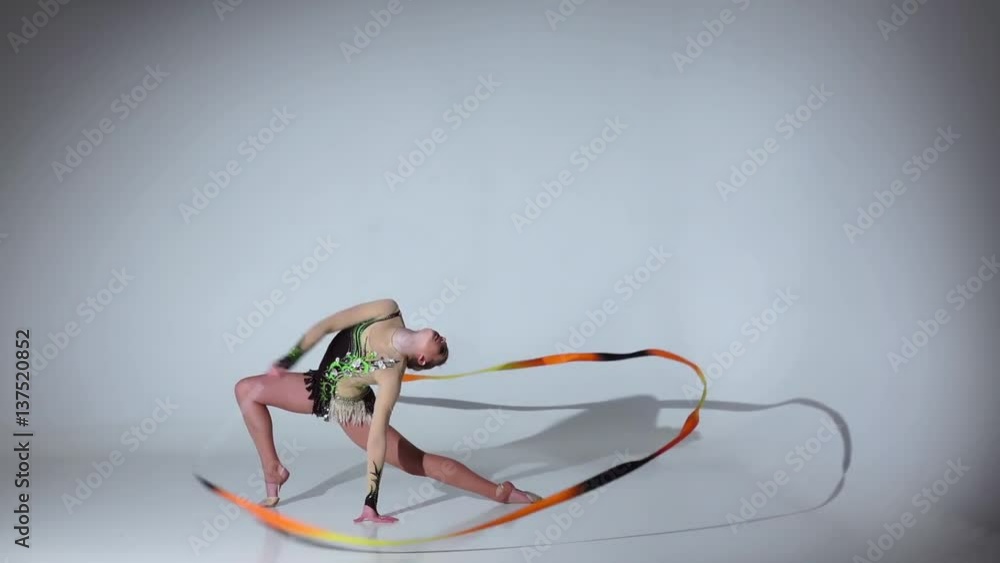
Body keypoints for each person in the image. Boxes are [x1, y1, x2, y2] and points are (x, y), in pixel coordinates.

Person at [233, 298, 541, 523]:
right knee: (246, 390)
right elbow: (328, 324)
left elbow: (377, 436)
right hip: (317, 385)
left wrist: (371, 501)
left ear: (422, 359)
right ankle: (272, 468)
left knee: (417, 462)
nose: (443, 339)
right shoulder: (387, 310)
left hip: (352, 409)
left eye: (441, 350)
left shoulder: (391, 375)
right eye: (445, 341)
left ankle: (498, 492)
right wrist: (290, 358)